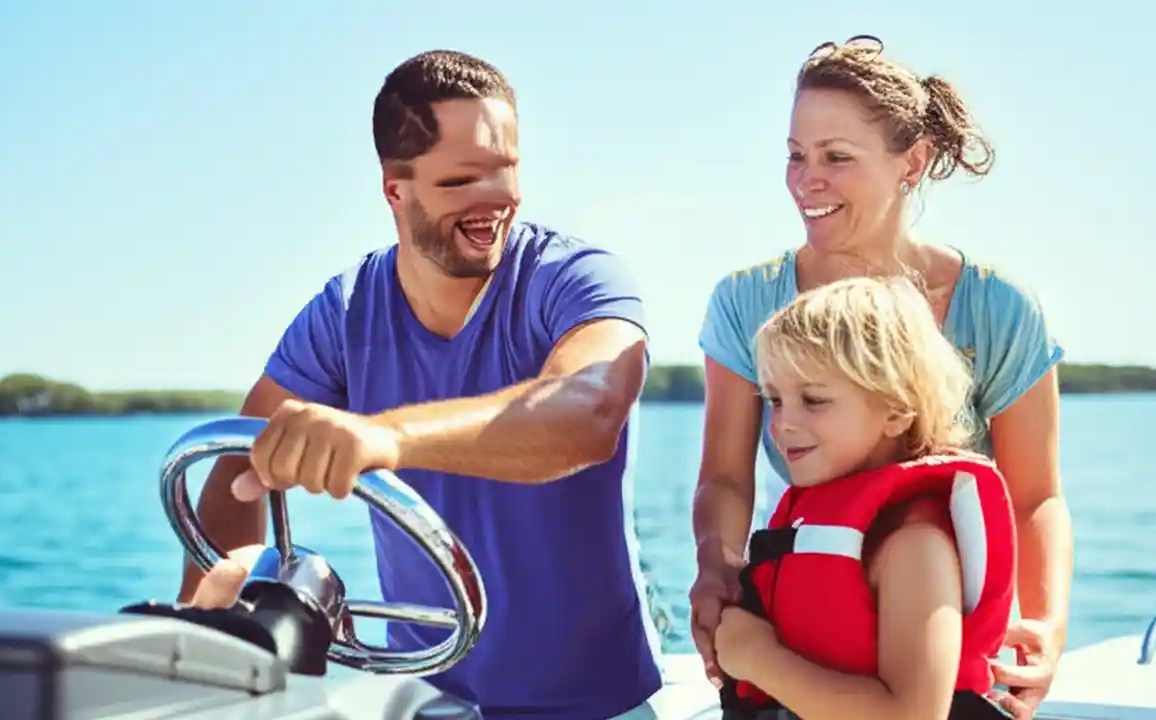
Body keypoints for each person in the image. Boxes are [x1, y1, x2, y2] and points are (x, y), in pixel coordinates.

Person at [178, 49, 663, 720]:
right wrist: (205, 647)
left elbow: (590, 411)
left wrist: (382, 437)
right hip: (425, 699)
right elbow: (240, 460)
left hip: (595, 707)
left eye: (506, 170)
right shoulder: (345, 313)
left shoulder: (578, 279)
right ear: (394, 189)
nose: (495, 200)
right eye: (462, 179)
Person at [689, 35, 1072, 718]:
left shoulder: (999, 308)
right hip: (802, 642)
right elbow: (724, 476)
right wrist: (716, 571)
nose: (808, 179)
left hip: (928, 636)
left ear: (913, 163)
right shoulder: (745, 302)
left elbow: (1034, 496)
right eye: (796, 155)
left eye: (837, 157)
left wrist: (1045, 629)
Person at [713, 276, 1018, 720]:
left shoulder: (914, 546)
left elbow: (913, 715)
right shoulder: (816, 524)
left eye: (814, 400)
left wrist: (760, 659)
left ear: (895, 411)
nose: (782, 424)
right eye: (775, 400)